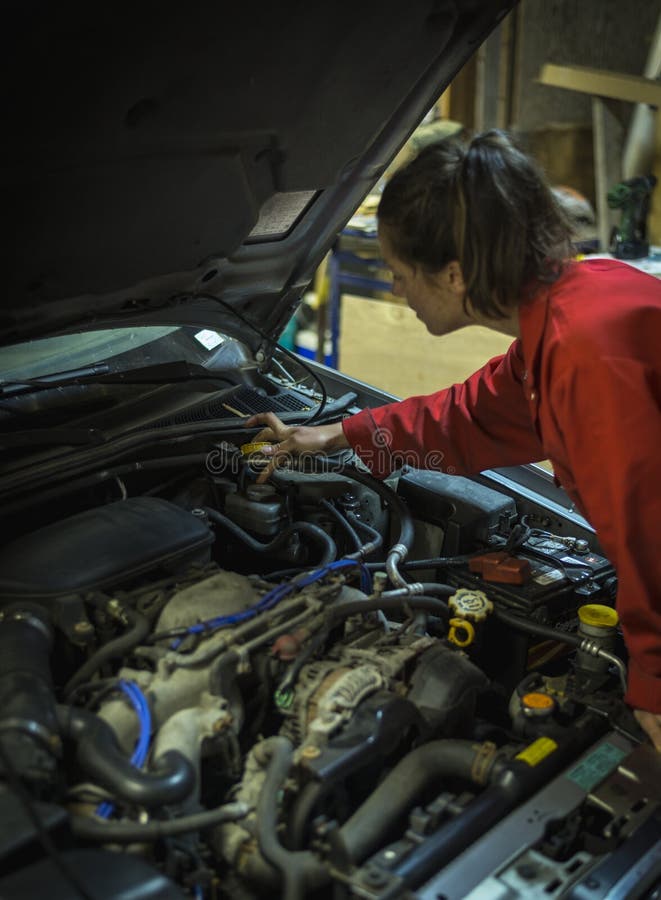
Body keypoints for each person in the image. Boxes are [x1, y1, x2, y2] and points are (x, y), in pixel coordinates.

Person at [245, 130, 661, 751]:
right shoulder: (575, 310)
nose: (394, 290)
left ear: (454, 273)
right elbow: (466, 417)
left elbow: (648, 536)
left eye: (398, 272)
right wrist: (339, 434)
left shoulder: (585, 353)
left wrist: (655, 687)